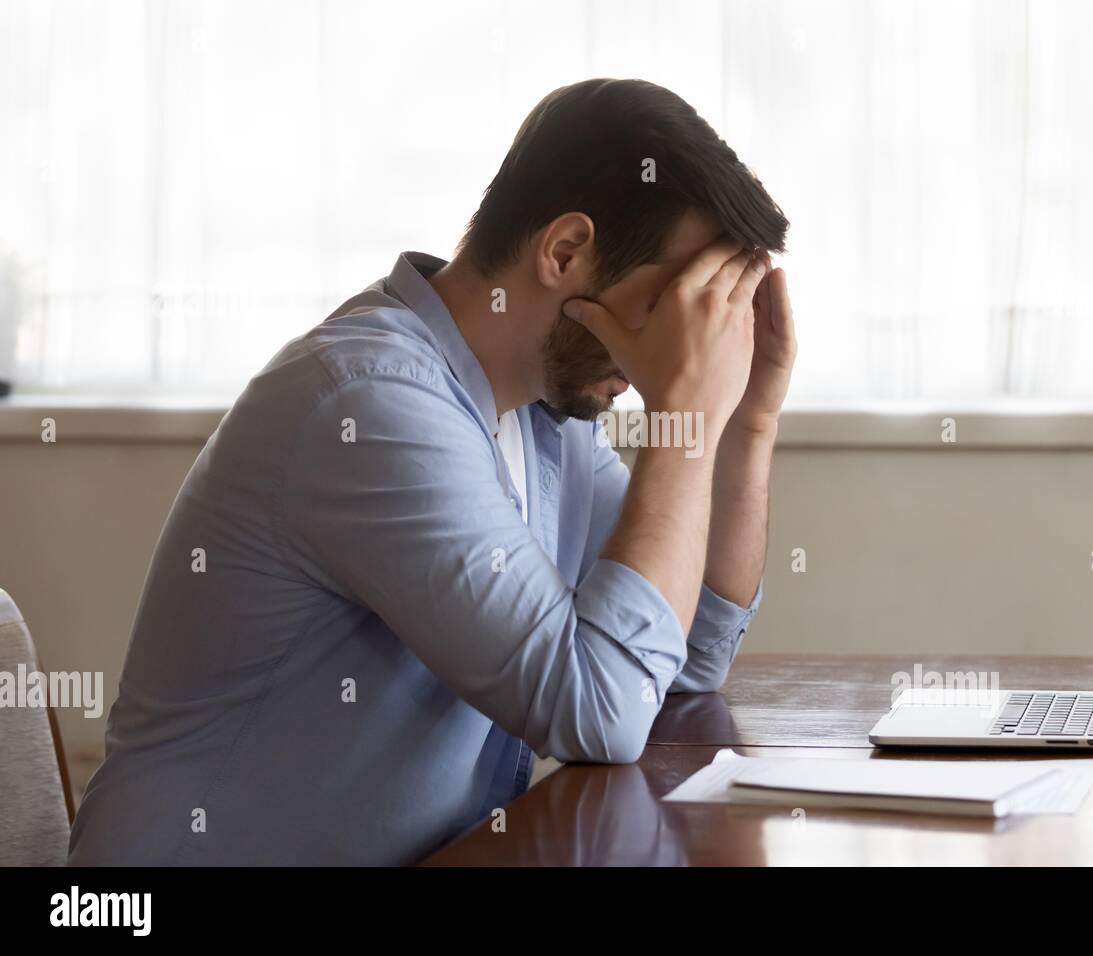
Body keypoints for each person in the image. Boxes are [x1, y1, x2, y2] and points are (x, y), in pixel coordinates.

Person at [69, 78, 792, 865]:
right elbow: (604, 711)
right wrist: (682, 427)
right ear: (564, 252)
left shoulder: (544, 417)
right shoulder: (373, 405)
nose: (685, 348)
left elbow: (684, 662)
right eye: (673, 306)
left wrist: (745, 422)